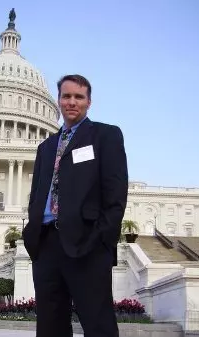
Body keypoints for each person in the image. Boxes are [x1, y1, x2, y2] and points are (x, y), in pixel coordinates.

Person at [22, 74, 128, 337]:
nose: (72, 102)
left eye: (78, 97)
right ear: (58, 100)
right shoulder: (45, 147)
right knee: (50, 325)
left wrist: (102, 239)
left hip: (87, 243)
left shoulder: (106, 135)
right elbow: (36, 195)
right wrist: (33, 236)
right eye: (66, 96)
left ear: (89, 102)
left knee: (97, 322)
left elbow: (116, 194)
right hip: (46, 244)